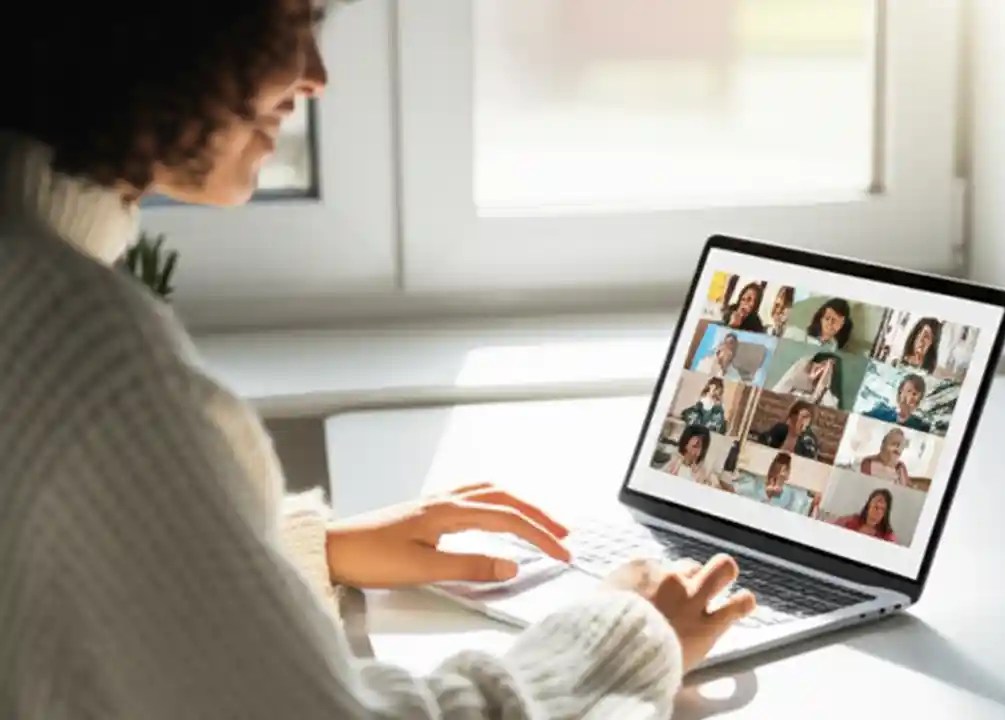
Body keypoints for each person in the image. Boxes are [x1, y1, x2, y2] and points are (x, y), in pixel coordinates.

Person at [0, 3, 755, 717]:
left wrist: (294, 553)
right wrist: (624, 632)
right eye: (286, 22)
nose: (315, 73)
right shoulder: (89, 360)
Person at [730, 453, 811, 514]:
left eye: (785, 469)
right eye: (777, 467)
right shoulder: (753, 484)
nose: (780, 472)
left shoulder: (793, 496)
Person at [863, 373, 931, 432]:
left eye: (914, 394)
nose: (910, 397)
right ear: (900, 392)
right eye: (909, 391)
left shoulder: (922, 426)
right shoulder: (880, 412)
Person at [772, 352, 842, 408]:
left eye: (829, 368)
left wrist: (823, 386)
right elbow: (776, 396)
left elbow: (831, 411)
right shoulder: (794, 383)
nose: (824, 370)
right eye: (823, 364)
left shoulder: (829, 396)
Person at [783, 298, 853, 350]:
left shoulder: (833, 346)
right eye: (827, 318)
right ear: (821, 318)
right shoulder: (793, 333)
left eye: (835, 320)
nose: (830, 323)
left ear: (842, 325)